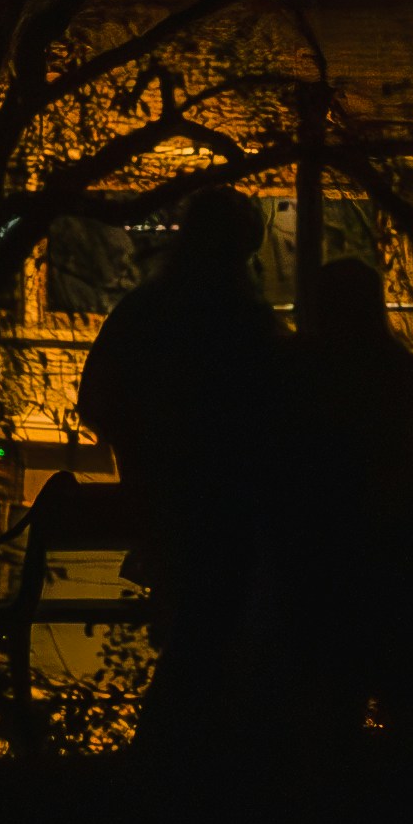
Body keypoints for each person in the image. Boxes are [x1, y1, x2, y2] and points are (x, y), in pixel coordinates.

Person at [74, 187, 287, 755]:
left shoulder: (147, 312)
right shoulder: (248, 323)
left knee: (196, 641)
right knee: (212, 643)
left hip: (167, 505)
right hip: (230, 511)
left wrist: (142, 447)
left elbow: (96, 399)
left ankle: (171, 770)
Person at [276, 252, 413, 747]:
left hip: (325, 564)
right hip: (393, 556)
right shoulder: (393, 368)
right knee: (403, 704)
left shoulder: (302, 370)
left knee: (332, 704)